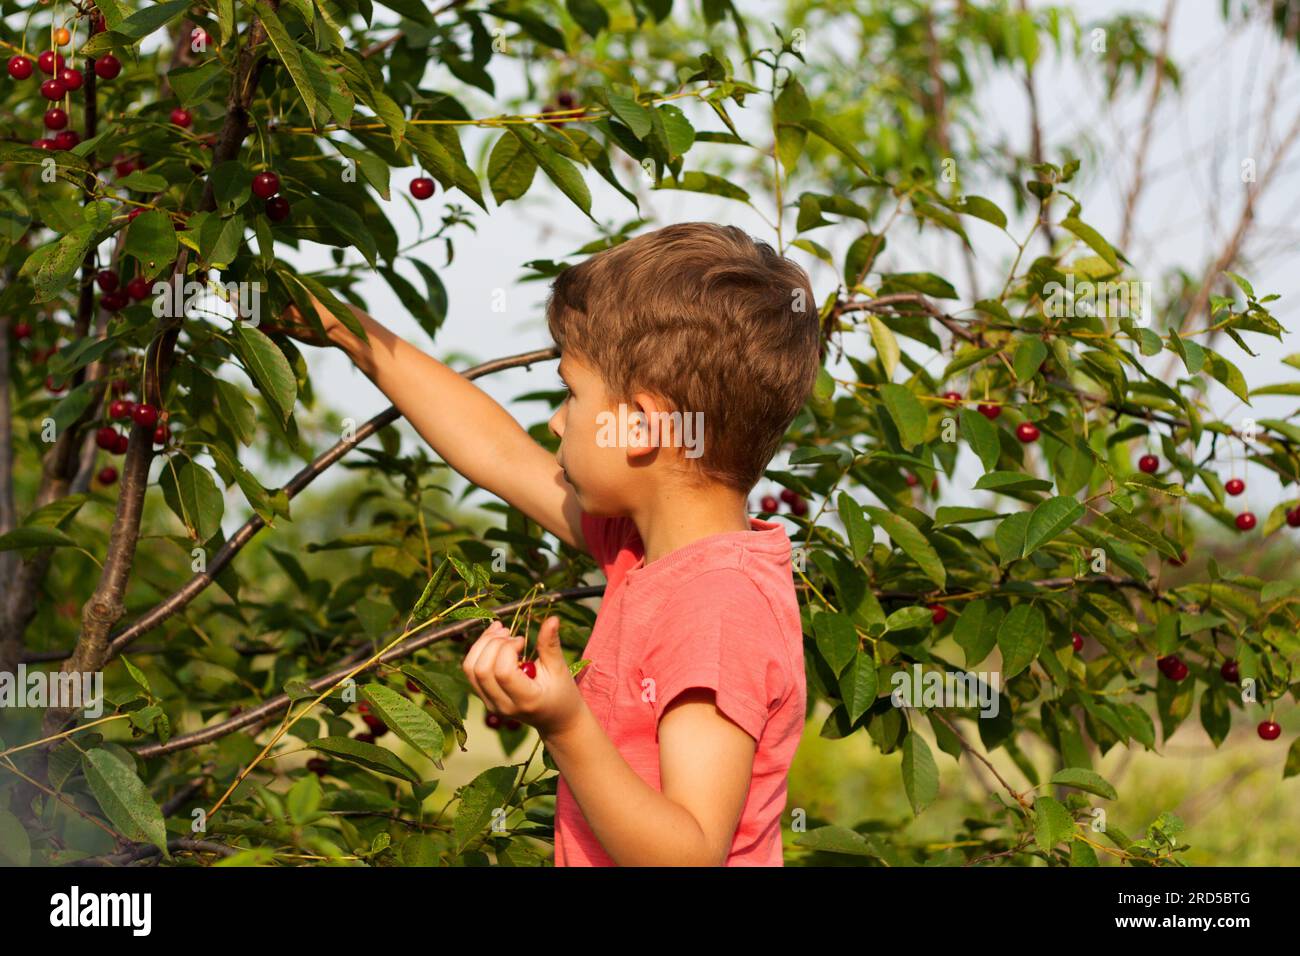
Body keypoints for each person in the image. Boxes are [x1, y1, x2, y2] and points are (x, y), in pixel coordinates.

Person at [272, 221, 821, 865]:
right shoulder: (646, 551)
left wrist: (565, 726)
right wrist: (344, 330)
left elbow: (689, 855)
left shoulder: (718, 607)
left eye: (572, 391)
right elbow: (498, 451)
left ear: (640, 426)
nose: (556, 419)